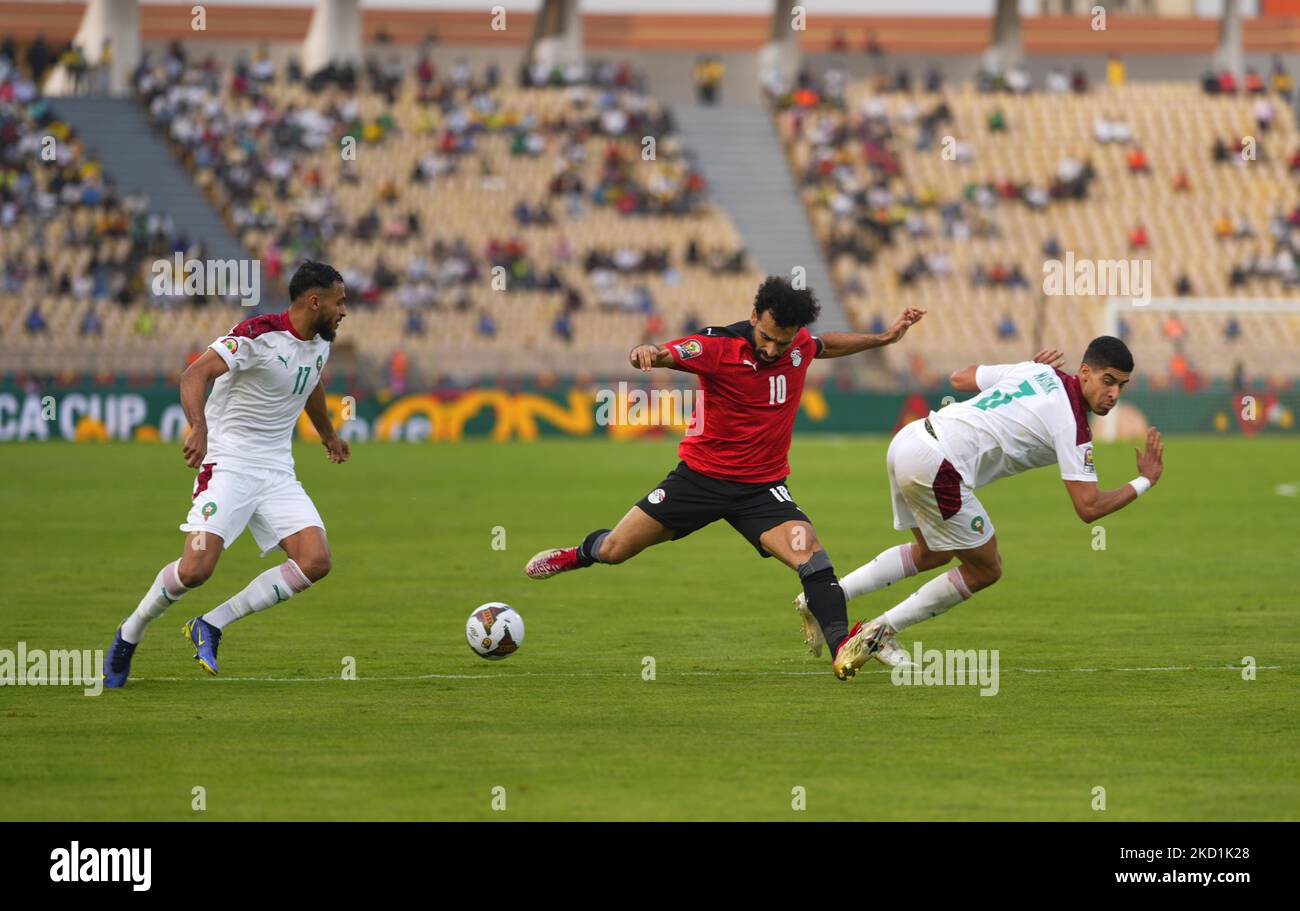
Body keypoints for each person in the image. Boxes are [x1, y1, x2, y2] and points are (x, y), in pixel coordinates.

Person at [524, 277, 926, 680]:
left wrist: (883, 338)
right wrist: (646, 352)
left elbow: (825, 344)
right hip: (697, 482)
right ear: (753, 316)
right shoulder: (717, 346)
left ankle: (843, 647)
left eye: (781, 343)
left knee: (813, 558)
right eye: (766, 337)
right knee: (614, 550)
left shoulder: (798, 345)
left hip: (761, 491)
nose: (771, 349)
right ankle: (574, 555)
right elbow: (668, 352)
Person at [802, 340, 1164, 676]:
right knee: (986, 569)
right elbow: (1088, 507)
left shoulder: (1036, 371)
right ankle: (878, 633)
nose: (1114, 394)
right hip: (939, 464)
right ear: (1085, 372)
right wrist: (1144, 480)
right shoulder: (1072, 422)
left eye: (1121, 385)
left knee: (932, 553)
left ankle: (823, 597)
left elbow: (959, 378)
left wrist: (1022, 371)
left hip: (910, 439)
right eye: (1108, 381)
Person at [101, 262, 351, 687]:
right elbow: (195, 373)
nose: (345, 311)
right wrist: (198, 426)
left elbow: (310, 383)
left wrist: (327, 434)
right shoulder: (257, 334)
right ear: (315, 301)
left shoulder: (320, 342)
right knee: (196, 569)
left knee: (315, 560)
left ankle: (211, 624)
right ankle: (130, 632)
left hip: (276, 472)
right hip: (228, 464)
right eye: (340, 302)